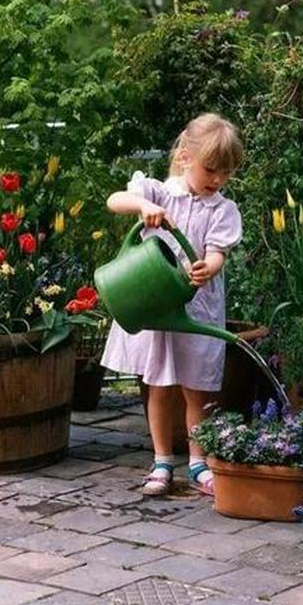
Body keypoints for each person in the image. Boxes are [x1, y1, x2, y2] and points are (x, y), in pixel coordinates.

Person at [101, 113, 243, 497]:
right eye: (211, 169)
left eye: (226, 173)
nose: (218, 180)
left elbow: (218, 253)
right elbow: (115, 200)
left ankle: (198, 463)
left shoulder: (222, 209)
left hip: (198, 307)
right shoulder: (161, 193)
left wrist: (207, 269)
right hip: (155, 305)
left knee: (198, 387)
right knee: (159, 385)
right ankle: (162, 460)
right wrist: (141, 207)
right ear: (185, 157)